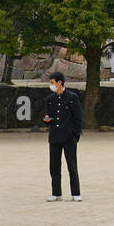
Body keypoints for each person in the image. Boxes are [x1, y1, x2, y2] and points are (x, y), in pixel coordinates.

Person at [43, 72, 82, 201]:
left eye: (52, 83)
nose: (51, 85)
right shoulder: (50, 99)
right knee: (54, 166)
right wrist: (47, 120)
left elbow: (78, 117)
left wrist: (75, 134)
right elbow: (49, 115)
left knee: (72, 166)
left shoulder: (72, 97)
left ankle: (75, 193)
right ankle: (56, 193)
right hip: (54, 136)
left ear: (59, 83)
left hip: (69, 136)